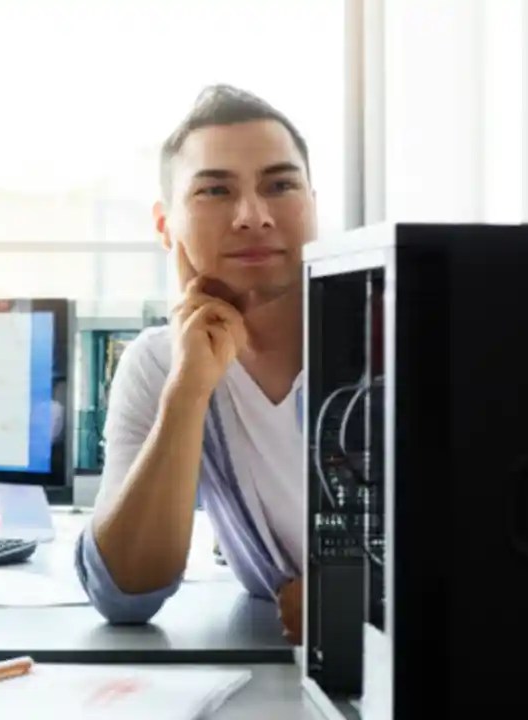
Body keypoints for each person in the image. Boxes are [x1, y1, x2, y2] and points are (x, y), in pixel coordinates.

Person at [75, 85, 315, 643]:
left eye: (280, 186)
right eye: (215, 191)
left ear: (312, 202)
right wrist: (188, 390)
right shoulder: (160, 364)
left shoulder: (393, 337)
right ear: (166, 226)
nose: (253, 217)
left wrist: (370, 599)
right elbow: (124, 593)